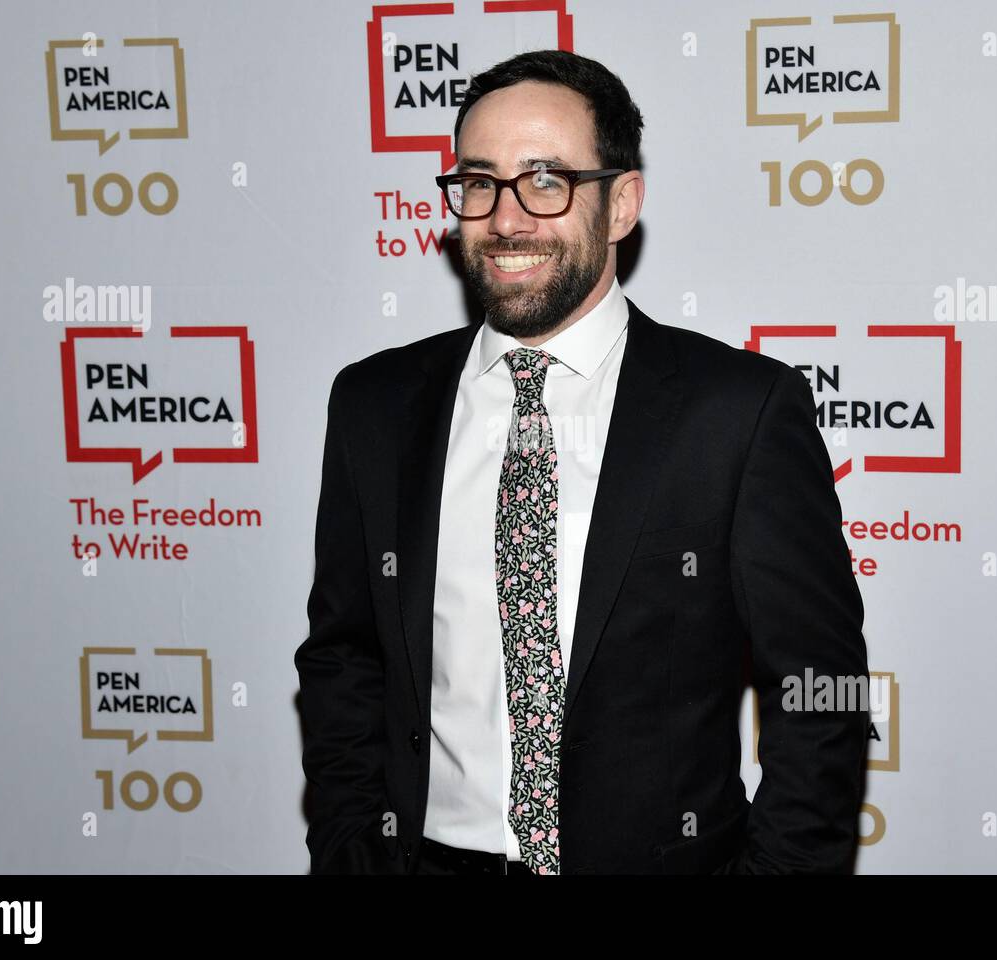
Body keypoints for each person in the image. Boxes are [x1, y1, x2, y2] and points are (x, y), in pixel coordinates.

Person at [295, 49, 870, 875]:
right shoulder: (374, 406)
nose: (506, 217)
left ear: (622, 202)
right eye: (479, 182)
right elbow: (343, 657)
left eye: (546, 181)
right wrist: (352, 848)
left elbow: (824, 692)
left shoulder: (737, 412)